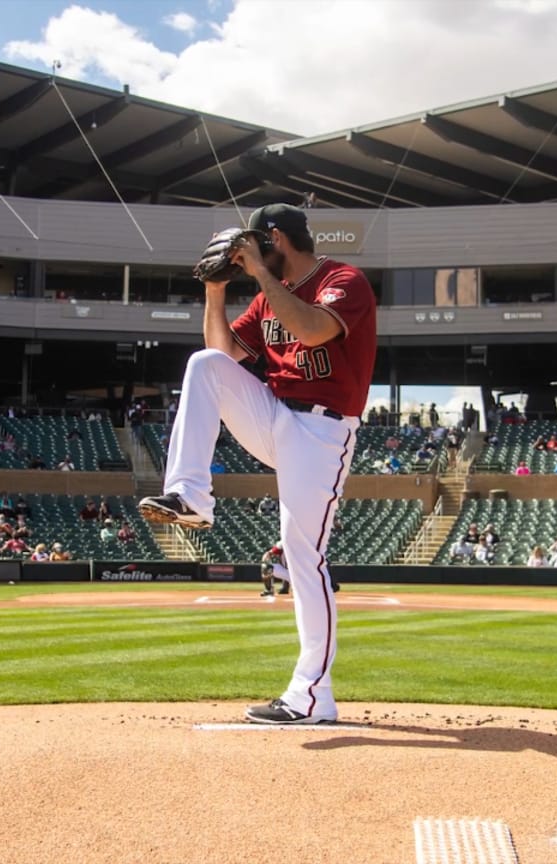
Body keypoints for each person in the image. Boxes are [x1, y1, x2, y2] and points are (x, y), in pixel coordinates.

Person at [139, 203, 376, 726]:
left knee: (303, 555)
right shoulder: (267, 297)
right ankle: (191, 496)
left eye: (252, 244)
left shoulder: (343, 280)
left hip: (322, 431)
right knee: (203, 364)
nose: (244, 254)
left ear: (275, 239)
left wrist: (261, 273)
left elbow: (311, 330)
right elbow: (222, 354)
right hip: (273, 414)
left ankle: (311, 696)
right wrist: (215, 291)